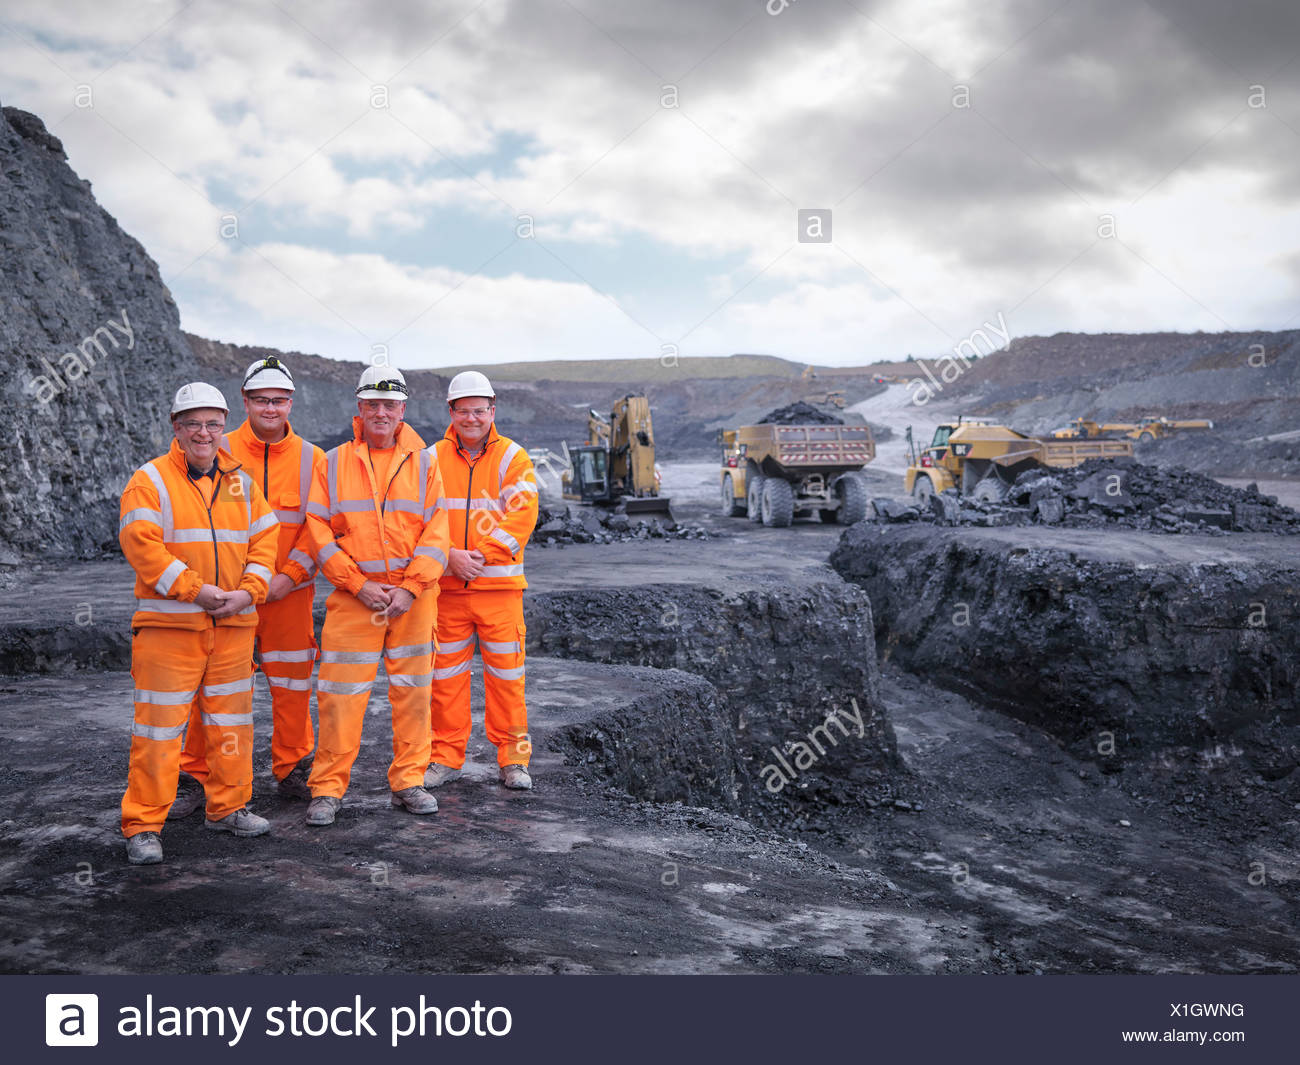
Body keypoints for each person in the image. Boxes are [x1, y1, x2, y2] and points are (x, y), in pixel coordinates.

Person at [118, 382, 279, 864]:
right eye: (193, 424)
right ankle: (144, 824)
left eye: (212, 424)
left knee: (231, 726)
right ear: (177, 428)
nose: (203, 433)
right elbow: (141, 545)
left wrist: (248, 592)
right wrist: (196, 590)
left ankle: (228, 807)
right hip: (170, 632)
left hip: (232, 630)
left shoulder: (239, 484)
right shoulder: (150, 480)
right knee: (158, 732)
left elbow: (265, 540)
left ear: (223, 425)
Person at [171, 356, 325, 817]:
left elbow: (316, 528)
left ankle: (293, 764)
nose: (270, 408)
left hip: (286, 598)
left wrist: (287, 578)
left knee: (293, 681)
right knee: (213, 687)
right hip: (224, 598)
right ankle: (198, 773)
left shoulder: (313, 459)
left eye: (278, 400)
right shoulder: (215, 447)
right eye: (261, 400)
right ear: (245, 401)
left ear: (291, 402)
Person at [302, 365, 450, 826]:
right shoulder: (333, 462)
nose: (381, 413)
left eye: (390, 405)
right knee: (340, 697)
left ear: (402, 409)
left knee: (414, 694)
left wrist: (410, 587)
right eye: (372, 405)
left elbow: (437, 532)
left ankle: (409, 781)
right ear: (359, 409)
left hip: (413, 598)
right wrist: (357, 583)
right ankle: (327, 789)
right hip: (354, 599)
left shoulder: (425, 462)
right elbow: (318, 531)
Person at [427, 371, 539, 791]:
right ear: (451, 413)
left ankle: (514, 760)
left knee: (508, 680)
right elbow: (419, 517)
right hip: (447, 592)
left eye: (479, 410)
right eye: (463, 411)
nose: (471, 418)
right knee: (445, 681)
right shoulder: (430, 457)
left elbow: (522, 514)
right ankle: (444, 757)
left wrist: (481, 556)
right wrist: (449, 557)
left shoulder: (513, 457)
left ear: (492, 411)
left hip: (500, 593)